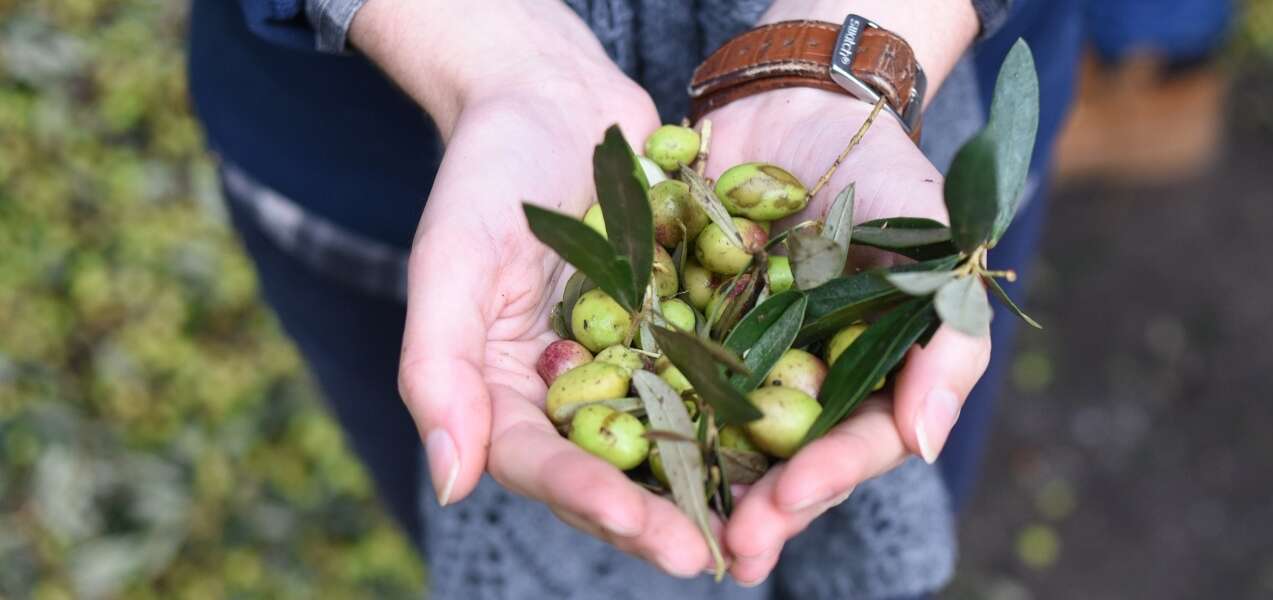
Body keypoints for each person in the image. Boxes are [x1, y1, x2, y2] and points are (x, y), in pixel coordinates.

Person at [189, 0, 1081, 597]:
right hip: (372, 163)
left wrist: (857, 38)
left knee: (860, 471)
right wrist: (484, 50)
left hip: (913, 120)